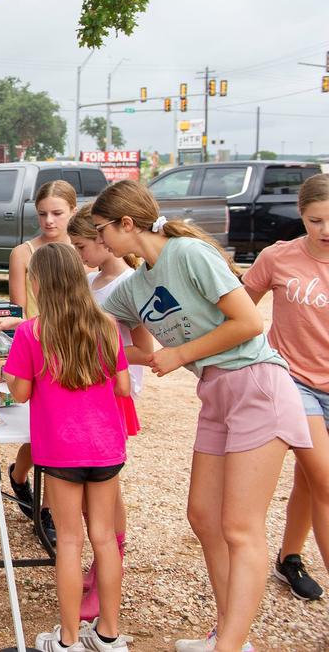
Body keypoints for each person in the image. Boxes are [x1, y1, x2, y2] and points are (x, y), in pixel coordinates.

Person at [92, 179, 311, 652]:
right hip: (215, 392)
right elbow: (92, 327)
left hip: (256, 384)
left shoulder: (187, 254)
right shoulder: (137, 284)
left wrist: (180, 353)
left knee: (240, 526)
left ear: (126, 224)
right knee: (204, 517)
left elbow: (250, 323)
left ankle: (230, 645)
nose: (99, 241)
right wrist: (23, 333)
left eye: (102, 230)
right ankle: (227, 632)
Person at [1, 243, 130, 652]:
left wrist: (7, 374)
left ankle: (69, 638)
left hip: (61, 450)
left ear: (37, 283)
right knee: (105, 539)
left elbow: (20, 393)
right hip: (107, 446)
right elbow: (124, 386)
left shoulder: (31, 331)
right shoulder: (106, 324)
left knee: (70, 542)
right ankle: (109, 634)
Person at [241, 173, 329, 602]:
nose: (325, 231)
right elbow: (238, 309)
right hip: (294, 382)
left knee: (311, 483)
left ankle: (289, 557)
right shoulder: (278, 258)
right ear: (301, 214)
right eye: (316, 221)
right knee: (326, 481)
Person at [67, 204, 156, 621]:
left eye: (82, 244)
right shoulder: (89, 280)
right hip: (87, 395)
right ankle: (100, 561)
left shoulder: (129, 284)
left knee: (107, 491)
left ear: (104, 240)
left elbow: (145, 351)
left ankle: (108, 562)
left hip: (112, 396)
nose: (79, 252)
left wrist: (96, 357)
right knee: (92, 495)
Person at [5, 179, 78, 541]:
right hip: (36, 342)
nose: (49, 221)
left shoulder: (80, 250)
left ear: (73, 212)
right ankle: (19, 476)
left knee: (59, 432)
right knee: (38, 431)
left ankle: (48, 510)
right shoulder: (24, 253)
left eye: (57, 213)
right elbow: (20, 306)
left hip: (72, 346)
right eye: (42, 214)